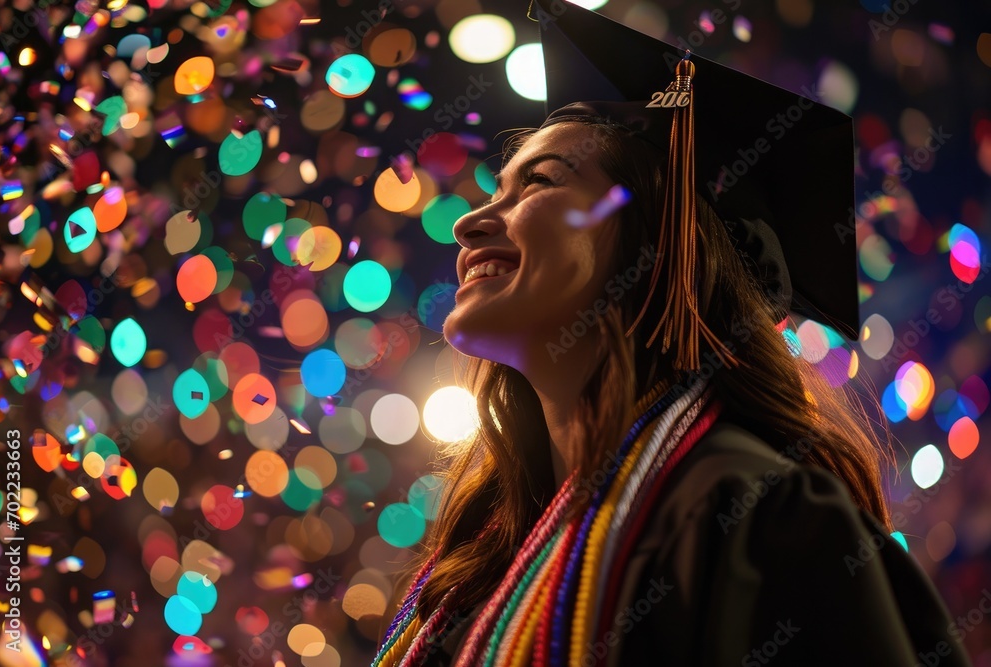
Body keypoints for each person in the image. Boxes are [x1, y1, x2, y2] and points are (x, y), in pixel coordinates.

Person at [372, 1, 972, 665]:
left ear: (663, 242)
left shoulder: (759, 522)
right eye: (496, 188)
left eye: (537, 183)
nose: (472, 221)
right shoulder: (483, 559)